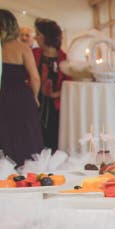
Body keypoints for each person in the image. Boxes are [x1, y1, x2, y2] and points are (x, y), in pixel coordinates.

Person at [0, 10, 44, 166]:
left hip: (2, 96)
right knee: (25, 135)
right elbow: (35, 77)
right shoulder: (23, 48)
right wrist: (35, 97)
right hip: (20, 97)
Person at [33, 18, 69, 151]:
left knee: (53, 138)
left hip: (55, 107)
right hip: (36, 103)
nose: (35, 37)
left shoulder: (63, 58)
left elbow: (69, 84)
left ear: (46, 36)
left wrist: (55, 94)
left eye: (38, 34)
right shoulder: (34, 54)